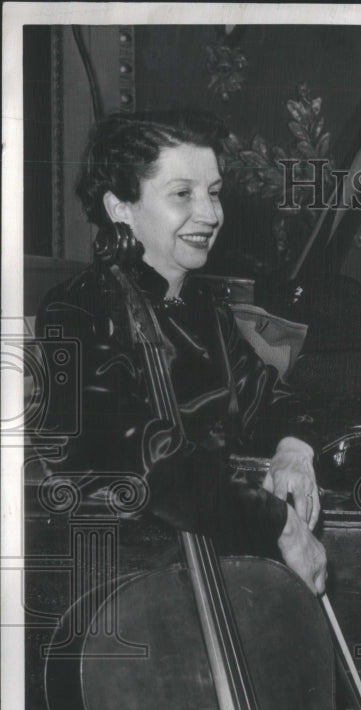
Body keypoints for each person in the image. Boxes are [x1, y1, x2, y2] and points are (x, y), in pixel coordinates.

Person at [34, 109, 327, 594]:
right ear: (120, 207)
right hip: (126, 580)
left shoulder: (204, 309)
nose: (210, 215)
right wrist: (278, 523)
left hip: (220, 562)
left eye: (213, 193)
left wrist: (294, 450)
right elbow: (144, 459)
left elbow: (269, 397)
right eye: (182, 194)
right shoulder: (79, 308)